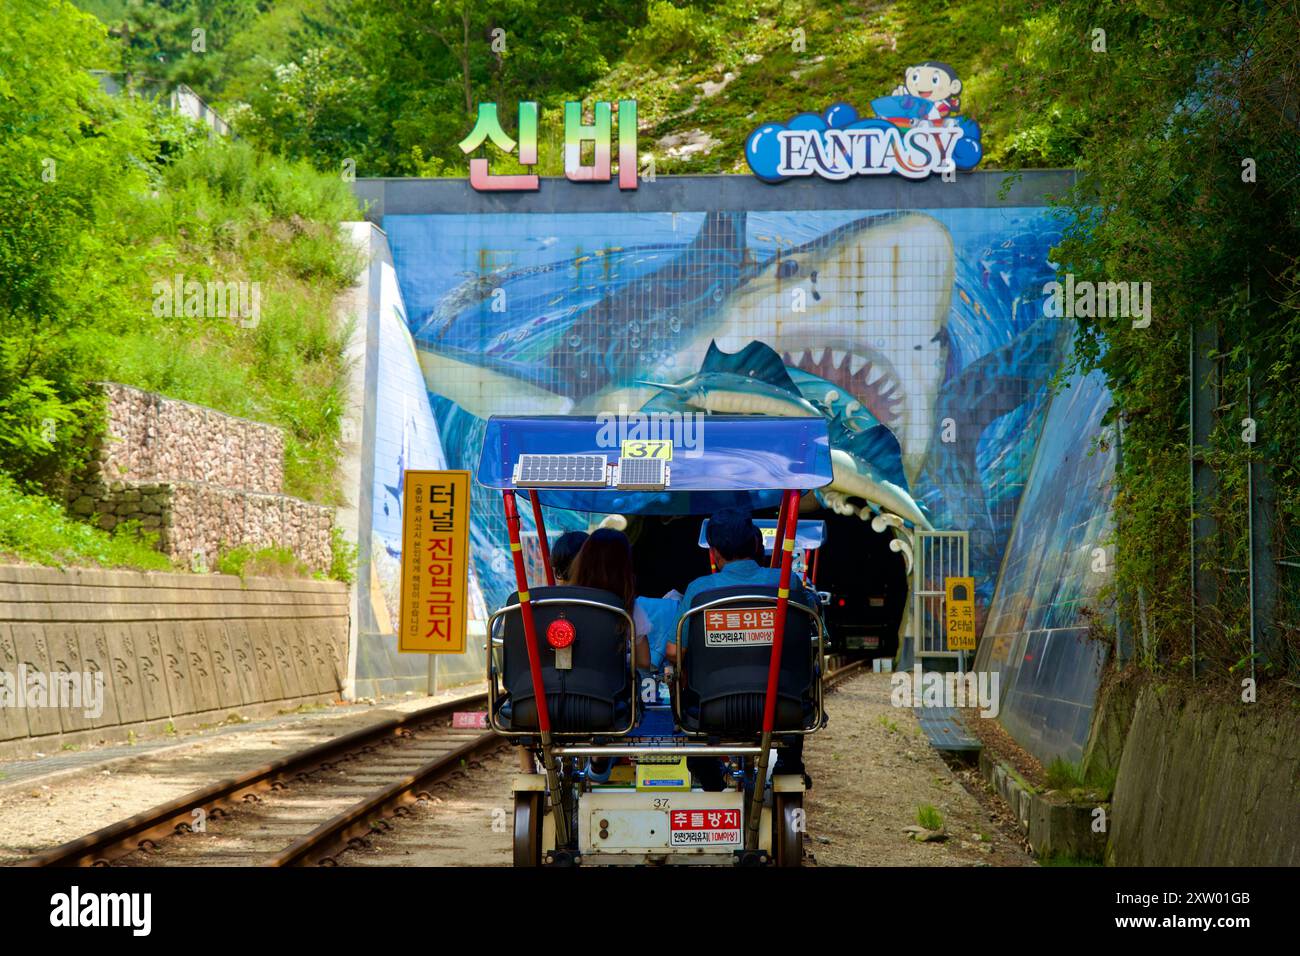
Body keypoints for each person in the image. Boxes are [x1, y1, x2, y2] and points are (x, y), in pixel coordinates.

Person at [672, 507, 813, 788]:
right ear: (757, 544)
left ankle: (709, 775)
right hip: (782, 706)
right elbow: (811, 642)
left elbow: (676, 652)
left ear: (714, 552)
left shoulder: (699, 591)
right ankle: (790, 761)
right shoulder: (788, 584)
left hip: (712, 709)